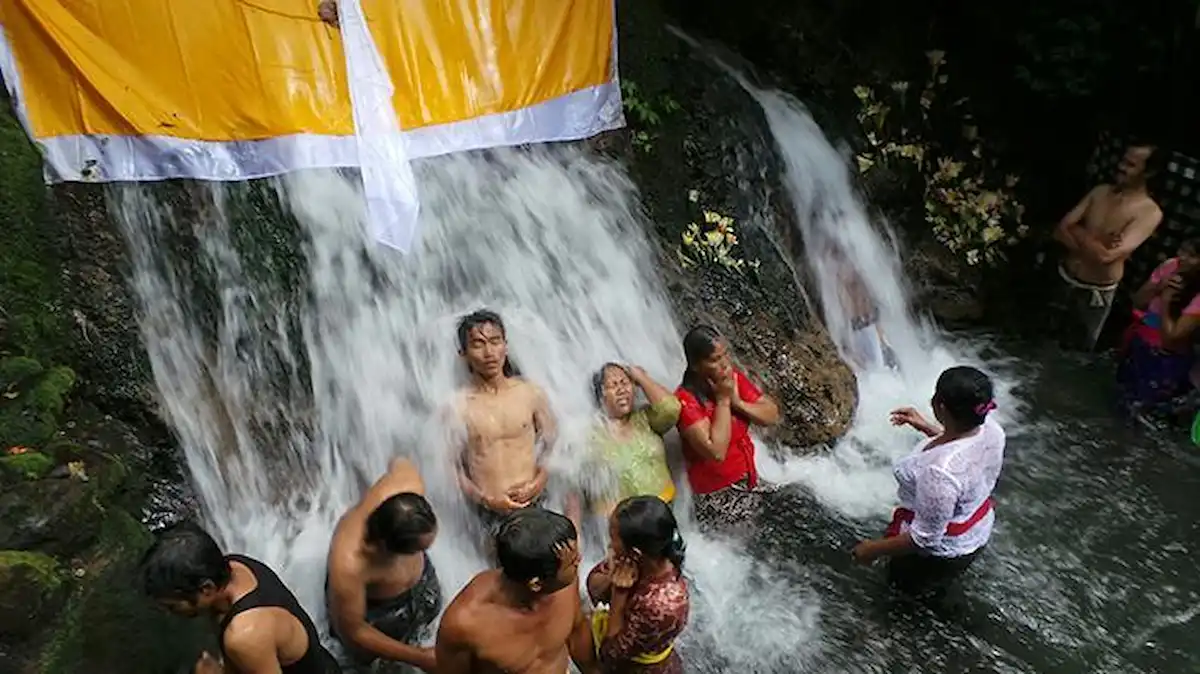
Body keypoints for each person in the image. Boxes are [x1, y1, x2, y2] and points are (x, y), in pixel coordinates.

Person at [852, 366, 1005, 598]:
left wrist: (872, 549)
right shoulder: (992, 429)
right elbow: (965, 451)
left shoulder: (939, 473)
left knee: (896, 601)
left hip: (937, 555)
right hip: (976, 529)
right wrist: (927, 427)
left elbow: (923, 539)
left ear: (940, 406)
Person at [140, 521, 341, 674]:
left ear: (206, 589)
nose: (169, 614)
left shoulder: (245, 636)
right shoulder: (234, 565)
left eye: (173, 607)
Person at [434, 508, 599, 674]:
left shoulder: (565, 582)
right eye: (573, 563)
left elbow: (577, 630)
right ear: (536, 584)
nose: (579, 560)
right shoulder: (465, 623)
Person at [448, 309, 560, 536]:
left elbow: (554, 444)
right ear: (464, 354)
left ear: (506, 346)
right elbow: (451, 467)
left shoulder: (530, 393)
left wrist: (539, 480)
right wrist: (485, 499)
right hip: (487, 511)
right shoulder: (457, 407)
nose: (489, 352)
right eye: (478, 344)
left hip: (536, 501)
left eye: (495, 341)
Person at [326, 458, 441, 672]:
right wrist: (419, 658)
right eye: (418, 549)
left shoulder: (407, 483)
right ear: (383, 546)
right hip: (379, 612)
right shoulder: (350, 565)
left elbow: (398, 460)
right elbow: (353, 631)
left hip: (420, 583)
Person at [1051, 141, 1165, 351]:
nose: (1121, 167)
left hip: (1094, 294)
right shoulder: (1100, 192)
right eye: (1122, 160)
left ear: (1148, 173)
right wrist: (1095, 241)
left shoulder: (1149, 212)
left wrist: (1078, 232)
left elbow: (1106, 257)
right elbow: (1060, 230)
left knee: (1074, 358)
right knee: (1039, 343)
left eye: (1131, 164)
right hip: (1064, 277)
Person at [674, 325, 781, 535]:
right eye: (715, 360)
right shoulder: (686, 402)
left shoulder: (731, 380)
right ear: (696, 365)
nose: (725, 364)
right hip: (717, 497)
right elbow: (716, 452)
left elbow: (772, 414)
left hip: (748, 480)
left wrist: (738, 403)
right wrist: (723, 401)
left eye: (725, 355)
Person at [586, 497, 690, 674]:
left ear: (635, 552)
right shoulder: (637, 559)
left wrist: (619, 594)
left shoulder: (662, 605)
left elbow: (610, 655)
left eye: (613, 537)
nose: (609, 544)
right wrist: (611, 577)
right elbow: (593, 588)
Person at [1117, 240, 1200, 418]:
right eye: (1183, 250)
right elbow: (1138, 301)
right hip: (1140, 344)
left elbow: (1171, 339)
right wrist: (1159, 287)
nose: (1182, 258)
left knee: (1143, 413)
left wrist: (1166, 299)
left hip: (1166, 360)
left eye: (1192, 256)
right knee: (1120, 399)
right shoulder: (1171, 266)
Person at [588, 364, 681, 517]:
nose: (622, 390)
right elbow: (575, 484)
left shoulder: (646, 419)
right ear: (600, 395)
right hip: (622, 522)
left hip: (663, 510)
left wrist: (641, 378)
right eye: (613, 385)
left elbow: (670, 408)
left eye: (625, 383)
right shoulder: (591, 435)